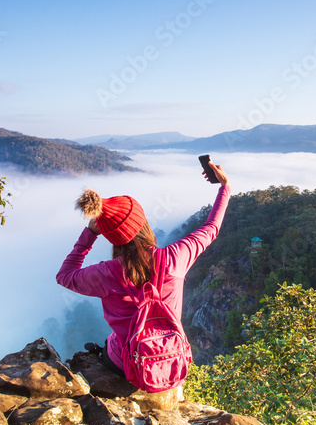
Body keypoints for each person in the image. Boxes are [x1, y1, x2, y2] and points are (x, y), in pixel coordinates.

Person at [56, 161, 230, 391]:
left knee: (111, 342)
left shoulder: (105, 273)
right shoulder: (174, 258)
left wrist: (89, 234)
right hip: (170, 361)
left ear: (110, 236)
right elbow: (211, 228)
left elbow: (65, 275)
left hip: (124, 366)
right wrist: (224, 187)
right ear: (143, 223)